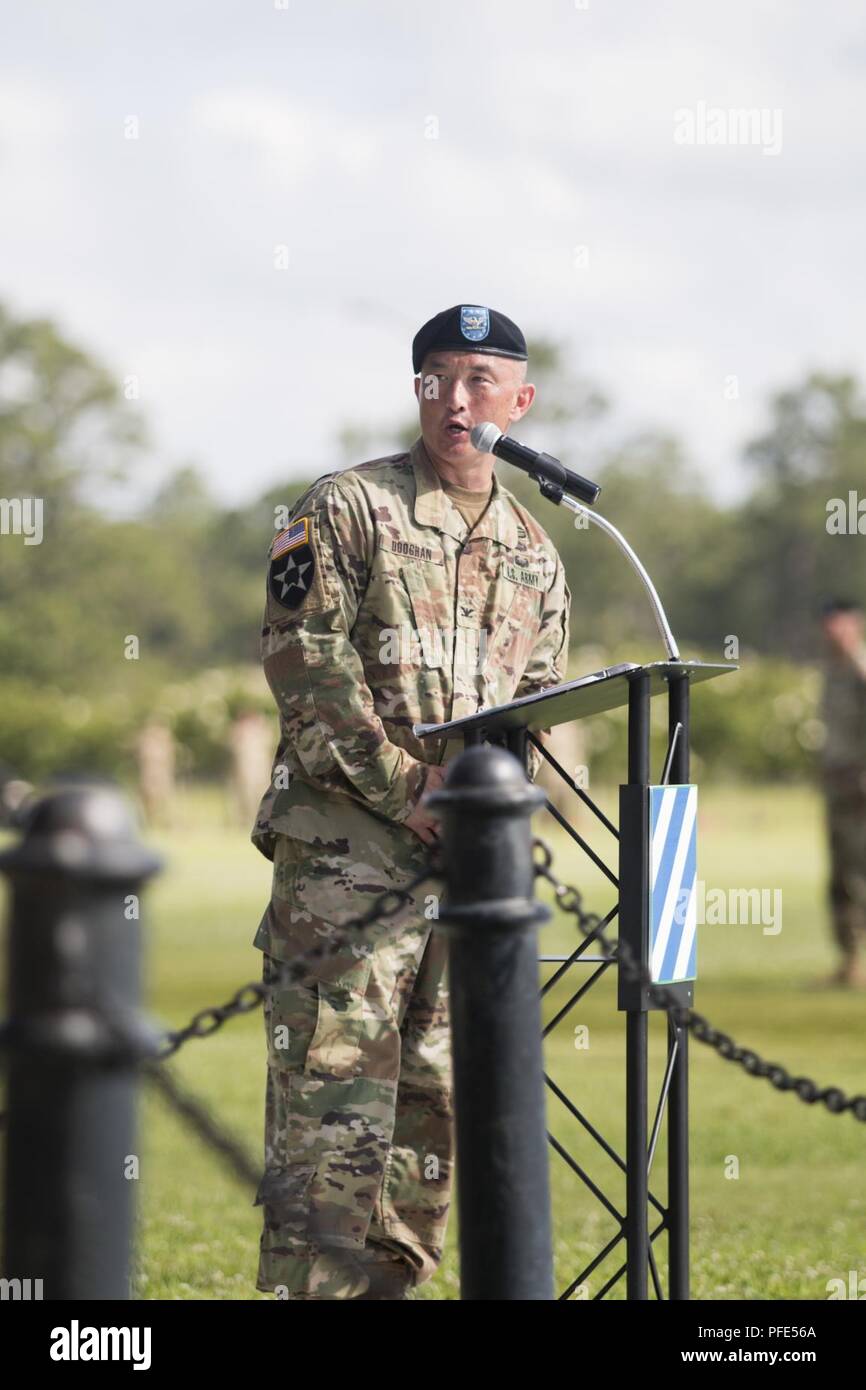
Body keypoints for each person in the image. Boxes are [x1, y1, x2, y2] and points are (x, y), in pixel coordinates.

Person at [249, 303, 571, 1299]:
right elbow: (303, 661)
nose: (457, 399)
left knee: (430, 1114)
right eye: (437, 378)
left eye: (480, 380)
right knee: (333, 1103)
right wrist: (412, 790)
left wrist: (492, 818)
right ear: (417, 393)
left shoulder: (536, 552)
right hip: (347, 867)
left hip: (461, 881)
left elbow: (538, 707)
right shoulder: (344, 507)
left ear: (519, 402)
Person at [815, 598, 866, 988]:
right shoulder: (832, 672)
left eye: (841, 624)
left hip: (859, 789)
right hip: (837, 788)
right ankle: (850, 961)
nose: (834, 632)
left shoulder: (860, 671)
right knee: (840, 877)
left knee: (857, 874)